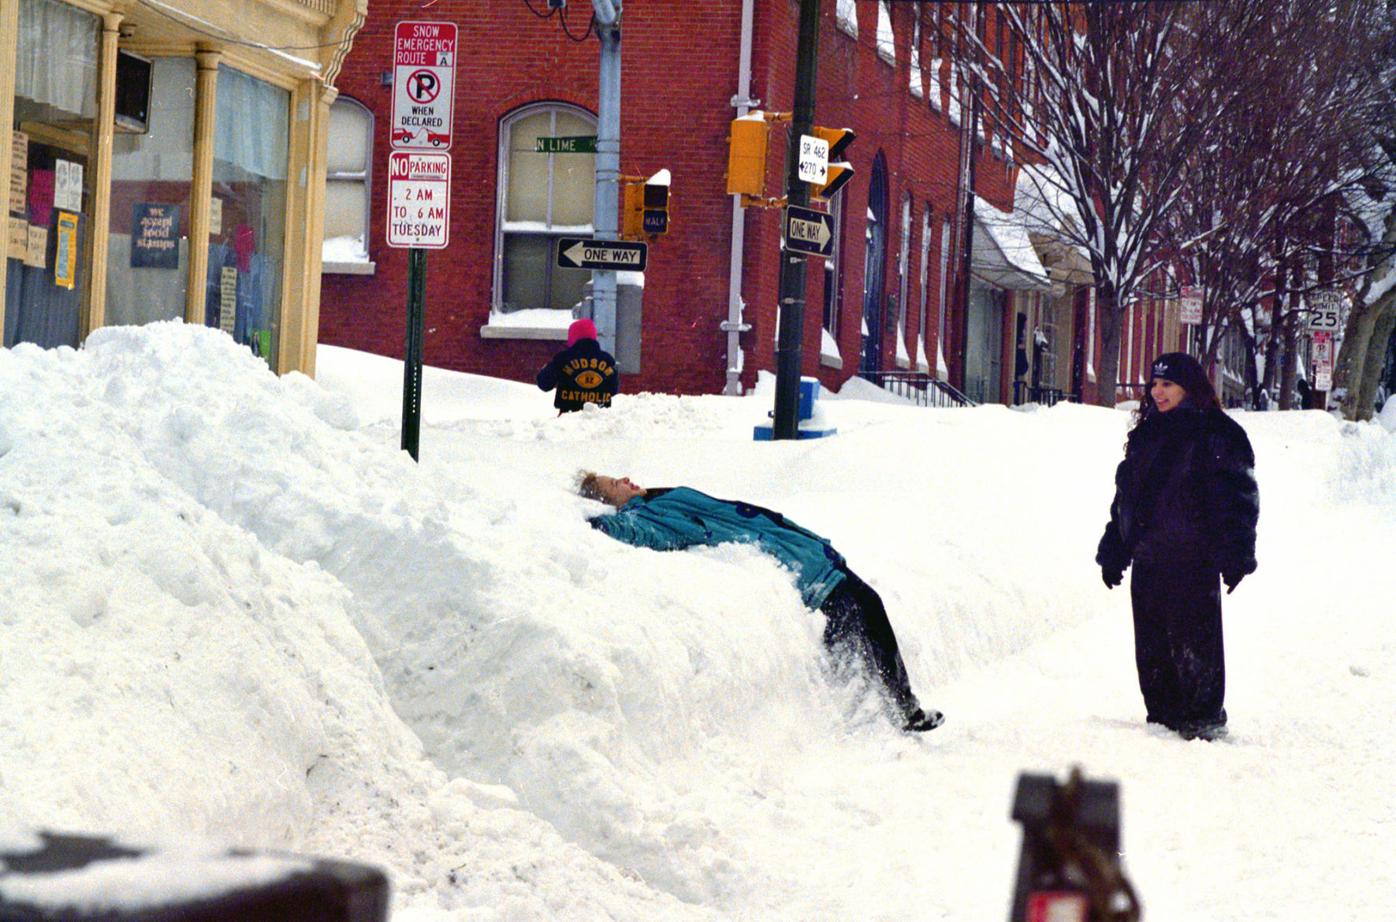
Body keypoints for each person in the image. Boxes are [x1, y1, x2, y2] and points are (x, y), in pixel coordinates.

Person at [578, 473, 944, 734]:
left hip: (808, 553)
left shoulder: (657, 498)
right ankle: (890, 711)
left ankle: (867, 714)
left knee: (853, 625)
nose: (626, 479)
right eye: (615, 485)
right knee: (860, 619)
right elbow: (645, 534)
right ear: (612, 503)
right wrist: (592, 523)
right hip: (801, 564)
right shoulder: (648, 514)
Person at [1096, 352, 1259, 741]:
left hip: (1193, 558)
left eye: (1167, 384)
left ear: (1189, 387)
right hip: (1149, 557)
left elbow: (1239, 498)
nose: (1157, 392)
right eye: (1154, 384)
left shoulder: (1219, 433)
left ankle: (1203, 719)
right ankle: (1163, 718)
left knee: (1195, 644)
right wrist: (1115, 549)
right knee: (1152, 648)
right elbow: (1127, 501)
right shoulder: (1148, 433)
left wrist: (1237, 552)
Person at [537, 318, 620, 414]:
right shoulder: (607, 360)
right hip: (599, 419)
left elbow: (544, 383)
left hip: (569, 418)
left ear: (573, 337)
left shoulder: (563, 358)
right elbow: (613, 389)